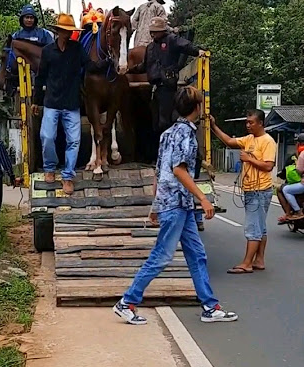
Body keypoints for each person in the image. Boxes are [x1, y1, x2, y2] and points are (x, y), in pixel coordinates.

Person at [113, 86, 238, 325]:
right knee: (162, 255)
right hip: (177, 205)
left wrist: (154, 206)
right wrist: (202, 197)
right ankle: (126, 302)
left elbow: (158, 173)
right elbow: (178, 169)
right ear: (197, 108)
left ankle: (210, 307)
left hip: (177, 204)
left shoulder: (167, 133)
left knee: (197, 254)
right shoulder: (186, 135)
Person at [210, 110, 276, 273]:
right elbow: (230, 141)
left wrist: (249, 159)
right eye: (247, 122)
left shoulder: (267, 141)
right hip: (251, 188)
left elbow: (269, 165)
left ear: (260, 123)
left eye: (251, 122)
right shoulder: (249, 139)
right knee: (260, 227)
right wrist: (213, 126)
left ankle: (247, 263)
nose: (248, 125)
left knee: (253, 227)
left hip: (259, 189)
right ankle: (259, 259)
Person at [33, 13, 91, 195]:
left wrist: (108, 65)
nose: (68, 34)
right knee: (47, 137)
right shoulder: (48, 51)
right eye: (65, 31)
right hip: (51, 102)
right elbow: (40, 77)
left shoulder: (77, 48)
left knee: (74, 140)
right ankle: (49, 168)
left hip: (72, 103)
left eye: (70, 31)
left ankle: (68, 176)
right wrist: (36, 101)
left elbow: (89, 65)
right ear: (57, 31)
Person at [129, 17, 206, 136]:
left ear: (162, 31)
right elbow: (144, 66)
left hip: (167, 86)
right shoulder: (150, 47)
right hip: (154, 88)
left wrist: (197, 52)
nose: (153, 34)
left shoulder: (171, 40)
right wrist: (129, 71)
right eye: (152, 31)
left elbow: (185, 45)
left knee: (165, 121)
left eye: (155, 31)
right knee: (156, 123)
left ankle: (169, 145)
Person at [0, 4, 53, 79]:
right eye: (27, 17)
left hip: (39, 68)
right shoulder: (16, 36)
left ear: (35, 19)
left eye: (31, 18)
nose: (29, 20)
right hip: (19, 68)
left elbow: (52, 51)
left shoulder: (44, 34)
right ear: (22, 19)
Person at [278, 133, 304, 221]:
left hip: (300, 184)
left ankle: (290, 213)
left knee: (283, 189)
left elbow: (299, 170)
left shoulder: (298, 156)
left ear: (297, 144)